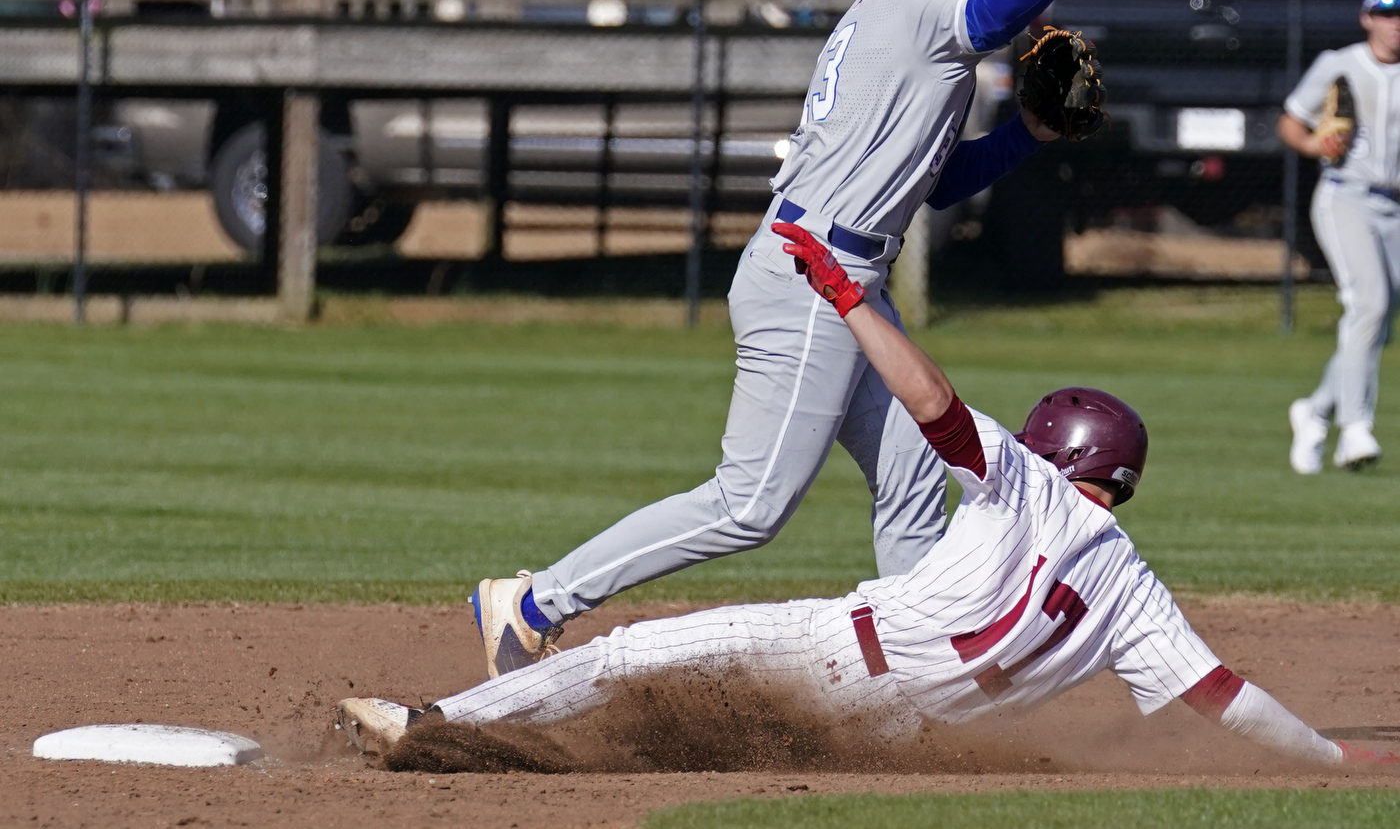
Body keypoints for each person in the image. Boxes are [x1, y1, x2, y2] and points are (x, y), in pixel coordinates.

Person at [336, 227, 1399, 770]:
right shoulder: (1132, 589)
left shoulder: (1025, 481)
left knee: (622, 656)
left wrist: (847, 299)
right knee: (691, 728)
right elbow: (1221, 697)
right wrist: (1328, 756)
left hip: (842, 647)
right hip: (898, 735)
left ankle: (429, 725)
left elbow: (933, 404)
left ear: (1052, 447)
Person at [469, 0, 1120, 683]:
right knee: (750, 504)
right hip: (814, 274)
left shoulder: (912, 10)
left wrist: (1024, 137)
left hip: (845, 277)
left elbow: (935, 179)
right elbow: (999, 14)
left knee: (916, 475)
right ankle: (535, 603)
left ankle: (916, 682)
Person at [1281, 0, 1400, 474]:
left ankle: (1315, 410)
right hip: (1345, 195)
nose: (1395, 26)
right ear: (1366, 17)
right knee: (1368, 304)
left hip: (1394, 205)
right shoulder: (1340, 64)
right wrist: (1314, 146)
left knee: (1373, 325)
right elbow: (1292, 120)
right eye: (1386, 14)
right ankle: (1354, 429)